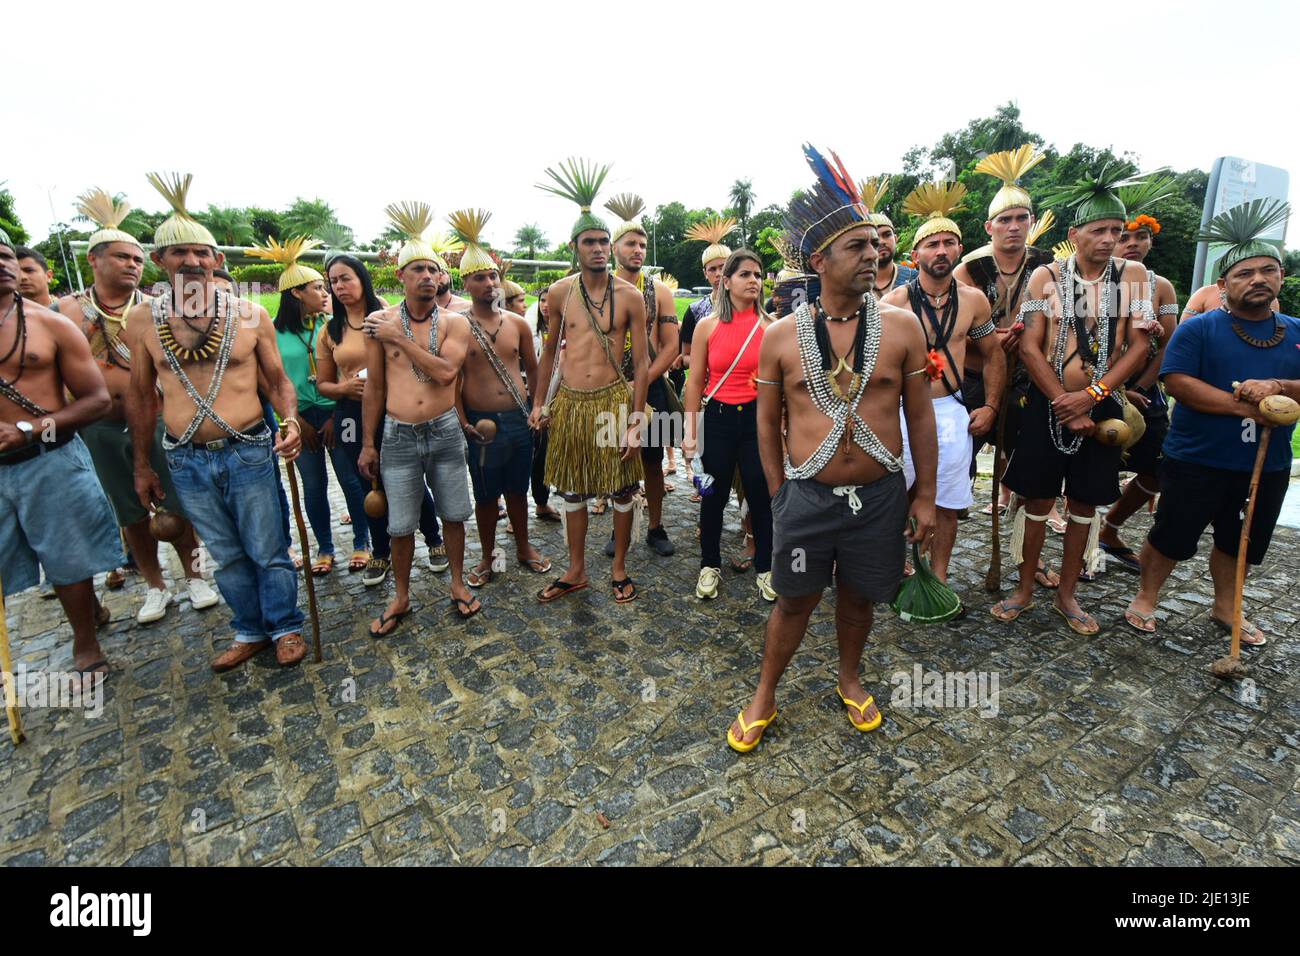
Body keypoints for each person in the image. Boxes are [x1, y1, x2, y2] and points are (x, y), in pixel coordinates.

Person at [727, 145, 937, 753]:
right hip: (807, 500)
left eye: (876, 245)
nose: (874, 255)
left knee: (859, 598)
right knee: (793, 601)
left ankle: (849, 677)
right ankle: (766, 693)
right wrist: (778, 493)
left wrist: (923, 496)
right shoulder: (779, 337)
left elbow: (919, 417)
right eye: (858, 246)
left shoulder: (901, 327)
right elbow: (767, 424)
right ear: (820, 259)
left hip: (879, 498)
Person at [125, 172, 306, 670]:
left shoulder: (250, 314)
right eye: (178, 253)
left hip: (249, 449)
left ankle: (286, 626)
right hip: (185, 458)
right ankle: (249, 629)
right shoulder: (142, 321)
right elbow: (140, 396)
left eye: (201, 253)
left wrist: (289, 421)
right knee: (225, 554)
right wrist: (143, 465)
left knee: (268, 548)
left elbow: (277, 382)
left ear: (217, 261)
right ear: (159, 262)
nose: (191, 261)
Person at [992, 166, 1164, 635]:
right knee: (1037, 501)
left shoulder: (1134, 277)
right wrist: (1062, 400)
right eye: (1099, 230)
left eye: (1116, 231)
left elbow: (1139, 344)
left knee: (1085, 506)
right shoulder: (1044, 277)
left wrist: (1090, 395)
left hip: (1102, 404)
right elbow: (1029, 344)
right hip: (1050, 404)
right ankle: (1025, 588)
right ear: (1075, 234)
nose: (1109, 239)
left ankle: (1068, 594)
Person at [1126, 199, 1299, 640]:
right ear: (1223, 285)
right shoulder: (1199, 329)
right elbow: (1177, 381)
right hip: (1198, 457)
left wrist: (1278, 387)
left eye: (1268, 270)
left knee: (1241, 539)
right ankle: (1146, 596)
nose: (1258, 279)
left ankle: (1227, 608)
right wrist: (1245, 406)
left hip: (1267, 461)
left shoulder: (1296, 331)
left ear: (1281, 277)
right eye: (1245, 273)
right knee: (1173, 535)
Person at [60, 188, 218, 624]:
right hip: (100, 427)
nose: (131, 265)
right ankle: (155, 586)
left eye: (135, 259)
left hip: (160, 420)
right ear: (93, 260)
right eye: (120, 258)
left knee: (181, 505)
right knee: (130, 508)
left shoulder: (154, 311)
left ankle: (197, 575)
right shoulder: (66, 313)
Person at [0, 226, 122, 680]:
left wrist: (30, 430)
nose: (2, 263)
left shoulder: (52, 324)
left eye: (6, 255)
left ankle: (85, 642)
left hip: (49, 455)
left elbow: (95, 400)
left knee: (67, 552)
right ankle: (89, 607)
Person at [531, 158, 649, 605]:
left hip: (614, 402)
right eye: (589, 242)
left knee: (622, 488)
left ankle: (618, 567)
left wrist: (638, 420)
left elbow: (640, 360)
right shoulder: (560, 292)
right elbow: (548, 351)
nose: (598, 248)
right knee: (572, 488)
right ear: (575, 247)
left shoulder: (632, 297)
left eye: (603, 241)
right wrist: (540, 403)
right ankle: (576, 569)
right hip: (572, 403)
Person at [359, 201, 478, 628]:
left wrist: (400, 339)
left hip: (444, 429)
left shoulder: (455, 323)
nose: (428, 277)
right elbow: (374, 385)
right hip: (398, 434)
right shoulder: (378, 322)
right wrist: (369, 442)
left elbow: (446, 373)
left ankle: (459, 583)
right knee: (401, 522)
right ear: (401, 276)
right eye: (418, 270)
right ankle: (402, 596)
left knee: (454, 513)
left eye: (434, 270)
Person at [882, 181, 1005, 584]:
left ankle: (937, 576)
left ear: (958, 250)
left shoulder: (973, 300)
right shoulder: (895, 303)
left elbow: (993, 354)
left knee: (948, 503)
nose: (941, 251)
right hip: (902, 410)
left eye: (949, 243)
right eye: (932, 244)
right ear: (915, 255)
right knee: (895, 496)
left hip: (950, 409)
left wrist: (988, 405)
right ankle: (894, 566)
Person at [319, 254, 444, 586]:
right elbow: (322, 383)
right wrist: (343, 388)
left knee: (409, 477)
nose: (340, 286)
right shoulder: (329, 329)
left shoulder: (388, 316)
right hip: (350, 415)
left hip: (393, 408)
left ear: (362, 279)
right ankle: (380, 550)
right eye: (334, 281)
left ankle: (433, 539)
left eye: (347, 278)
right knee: (366, 481)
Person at [251, 237, 372, 575]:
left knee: (351, 478)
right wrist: (291, 420)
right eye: (318, 287)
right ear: (296, 294)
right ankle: (325, 546)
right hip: (300, 418)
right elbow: (267, 379)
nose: (326, 293)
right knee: (314, 484)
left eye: (327, 286)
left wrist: (336, 413)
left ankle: (363, 542)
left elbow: (344, 373)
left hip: (339, 413)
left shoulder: (331, 326)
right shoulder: (272, 334)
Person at [448, 208, 550, 587]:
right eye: (479, 277)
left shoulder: (519, 324)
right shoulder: (457, 327)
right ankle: (490, 557)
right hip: (481, 423)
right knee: (487, 495)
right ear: (467, 285)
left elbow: (535, 369)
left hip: (519, 418)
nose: (489, 282)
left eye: (493, 275)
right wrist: (463, 421)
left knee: (518, 490)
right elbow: (452, 379)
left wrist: (538, 407)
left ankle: (523, 547)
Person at [682, 249, 775, 601]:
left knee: (761, 497)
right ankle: (709, 564)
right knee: (711, 496)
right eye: (746, 274)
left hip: (756, 421)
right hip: (717, 418)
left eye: (758, 274)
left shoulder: (771, 326)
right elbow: (695, 382)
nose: (754, 280)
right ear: (727, 281)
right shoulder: (707, 327)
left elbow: (779, 385)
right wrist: (690, 433)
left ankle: (765, 568)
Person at [1096, 193, 1181, 571]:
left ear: (1150, 242)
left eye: (1138, 237)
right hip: (1098, 388)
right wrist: (1115, 387)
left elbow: (1167, 343)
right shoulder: (1093, 280)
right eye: (1123, 237)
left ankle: (1110, 528)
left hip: (1145, 392)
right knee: (1090, 471)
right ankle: (1082, 546)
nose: (1131, 244)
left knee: (1158, 468)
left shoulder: (1160, 285)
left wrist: (1142, 387)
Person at [600, 194, 680, 558]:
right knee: (617, 459)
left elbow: (670, 346)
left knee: (652, 460)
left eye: (643, 244)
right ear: (614, 247)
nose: (638, 250)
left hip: (653, 389)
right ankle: (620, 530)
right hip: (610, 389)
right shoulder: (600, 290)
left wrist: (643, 381)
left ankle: (655, 527)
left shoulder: (658, 291)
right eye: (630, 243)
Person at [527, 283, 562, 522]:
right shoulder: (531, 333)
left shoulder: (568, 331)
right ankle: (539, 501)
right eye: (542, 301)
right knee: (538, 452)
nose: (546, 305)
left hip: (563, 396)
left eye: (550, 300)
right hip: (537, 397)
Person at [858, 176, 917, 297]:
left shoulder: (916, 279)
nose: (881, 242)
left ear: (895, 239)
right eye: (874, 238)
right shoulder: (852, 285)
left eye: (886, 234)